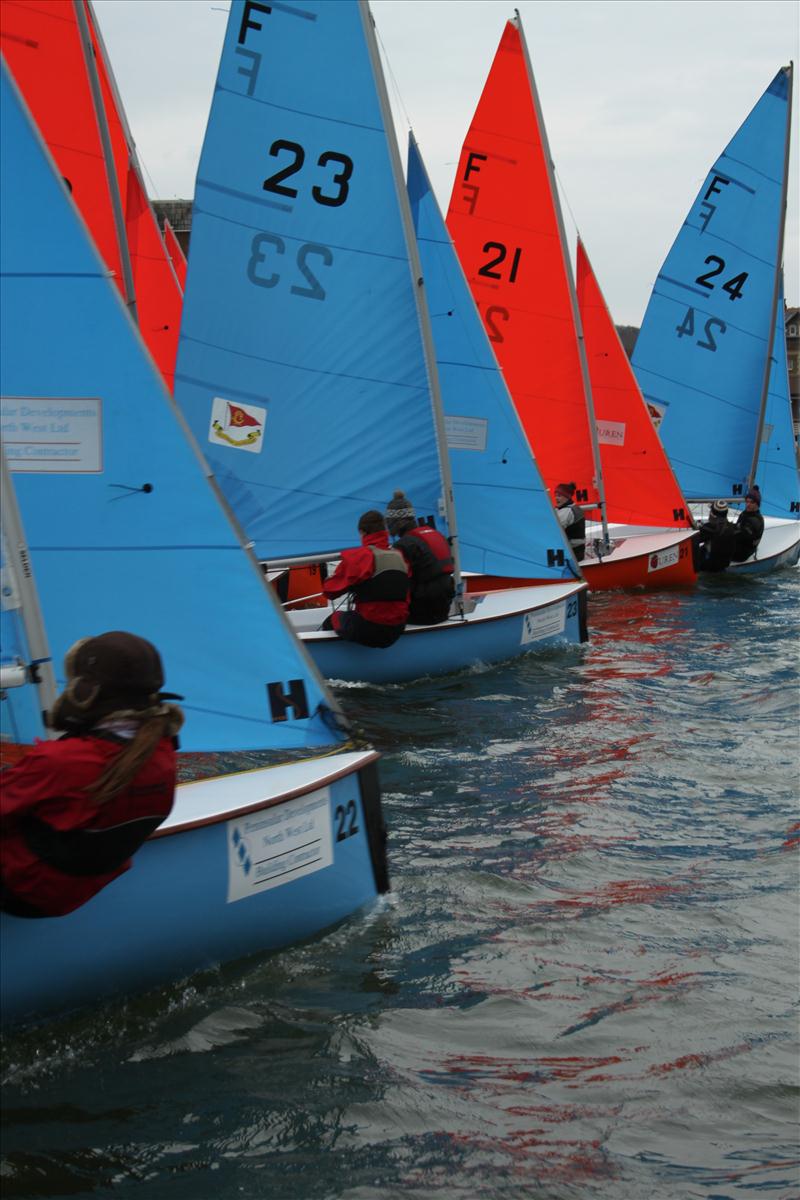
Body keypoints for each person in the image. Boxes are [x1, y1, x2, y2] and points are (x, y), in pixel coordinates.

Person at [1, 632, 183, 918]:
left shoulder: (62, 761)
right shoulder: (162, 750)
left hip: (22, 890)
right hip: (79, 889)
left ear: (84, 694)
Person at [321, 510, 410, 648]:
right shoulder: (400, 556)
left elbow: (330, 592)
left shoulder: (362, 556)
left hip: (370, 628)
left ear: (362, 532)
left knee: (332, 619)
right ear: (384, 530)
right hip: (397, 629)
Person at [385, 490, 455, 625]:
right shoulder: (435, 534)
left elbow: (397, 582)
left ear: (394, 522)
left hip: (422, 612)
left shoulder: (404, 545)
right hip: (444, 607)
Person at [693, 499, 737, 571]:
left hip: (708, 567)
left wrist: (694, 528)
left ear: (713, 513)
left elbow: (694, 540)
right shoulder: (732, 527)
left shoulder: (708, 528)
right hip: (724, 565)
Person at [553, 482, 586, 562]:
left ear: (567, 497)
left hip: (572, 553)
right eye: (556, 496)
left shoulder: (567, 511)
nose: (556, 498)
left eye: (559, 496)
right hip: (579, 550)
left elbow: (555, 530)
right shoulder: (574, 507)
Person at [731, 486, 765, 562]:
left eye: (752, 502)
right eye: (747, 501)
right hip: (738, 546)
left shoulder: (756, 520)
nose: (748, 504)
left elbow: (741, 535)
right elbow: (737, 528)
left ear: (757, 504)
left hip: (742, 554)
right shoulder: (746, 514)